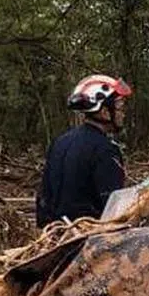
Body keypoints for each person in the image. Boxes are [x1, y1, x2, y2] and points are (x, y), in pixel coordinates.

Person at [36, 74, 132, 227]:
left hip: (55, 234)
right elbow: (113, 207)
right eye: (119, 108)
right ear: (105, 112)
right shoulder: (105, 149)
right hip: (88, 236)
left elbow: (43, 197)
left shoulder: (60, 141)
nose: (123, 114)